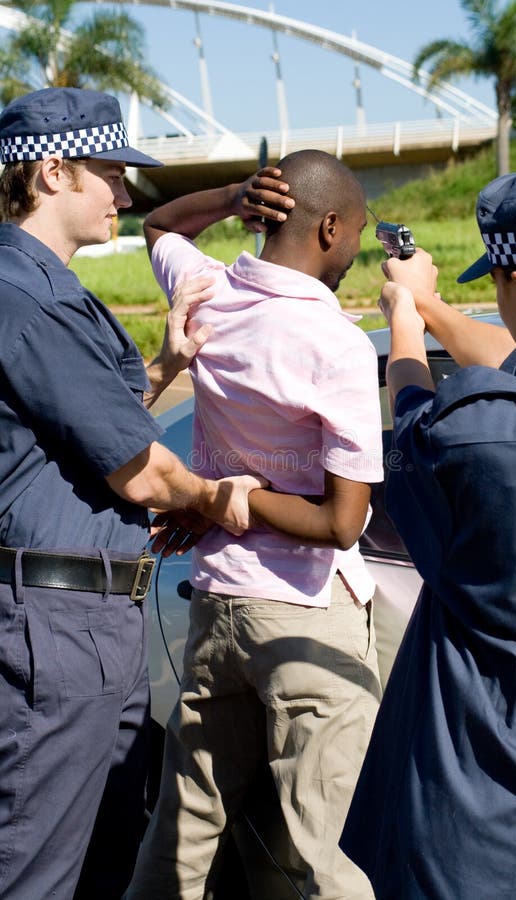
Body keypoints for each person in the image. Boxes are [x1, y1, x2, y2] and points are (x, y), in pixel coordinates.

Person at [0, 86, 266, 900]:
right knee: (37, 872)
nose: (124, 192)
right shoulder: (26, 297)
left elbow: (73, 428)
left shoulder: (36, 290)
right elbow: (142, 471)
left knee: (98, 866)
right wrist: (225, 498)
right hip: (57, 624)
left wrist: (165, 366)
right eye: (110, 172)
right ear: (52, 174)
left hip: (88, 618)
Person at [126, 149, 384, 900]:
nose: (359, 249)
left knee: (183, 836)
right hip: (306, 617)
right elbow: (342, 524)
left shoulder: (205, 292)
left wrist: (235, 195)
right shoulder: (335, 343)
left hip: (217, 606)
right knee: (322, 856)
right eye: (358, 233)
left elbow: (161, 223)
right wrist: (219, 495)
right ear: (329, 227)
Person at [341, 158, 516, 898]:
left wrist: (403, 318)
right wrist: (432, 311)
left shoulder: (483, 443)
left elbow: (421, 412)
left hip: (487, 834)